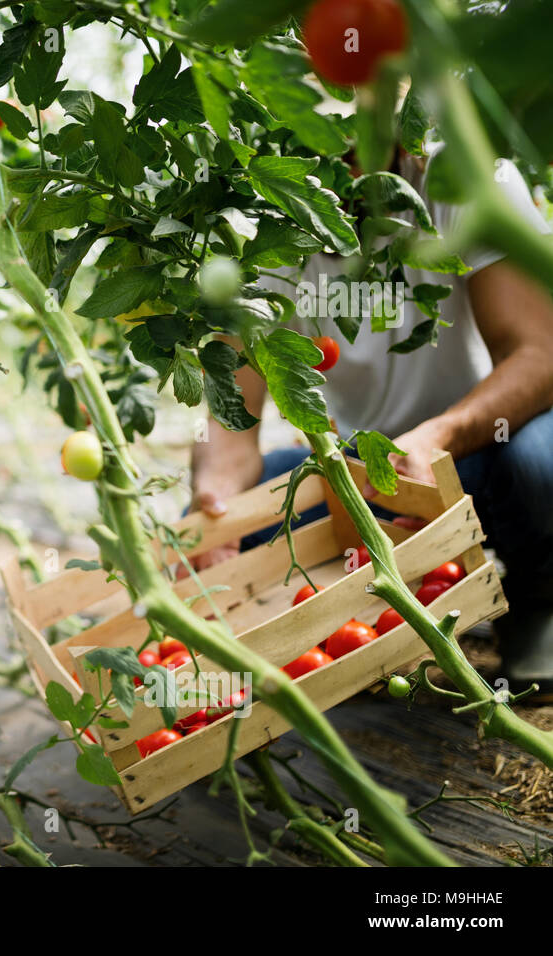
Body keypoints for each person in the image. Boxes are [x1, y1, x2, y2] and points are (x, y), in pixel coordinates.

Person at [186, 141, 553, 700]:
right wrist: (215, 501)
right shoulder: (264, 213)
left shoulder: (463, 176)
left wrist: (439, 436)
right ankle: (346, 618)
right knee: (245, 516)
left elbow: (540, 355)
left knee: (538, 464)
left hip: (477, 452)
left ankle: (538, 603)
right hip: (362, 472)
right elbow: (233, 420)